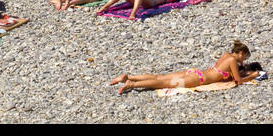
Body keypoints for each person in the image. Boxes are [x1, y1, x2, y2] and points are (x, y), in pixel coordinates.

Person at [109, 41, 259, 94]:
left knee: (160, 77)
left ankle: (128, 77)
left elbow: (231, 65)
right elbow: (238, 81)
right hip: (198, 79)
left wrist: (242, 65)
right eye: (244, 57)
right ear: (239, 53)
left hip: (195, 72)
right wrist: (251, 76)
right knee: (162, 83)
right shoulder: (233, 60)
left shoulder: (227, 55)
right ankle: (132, 84)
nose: (243, 61)